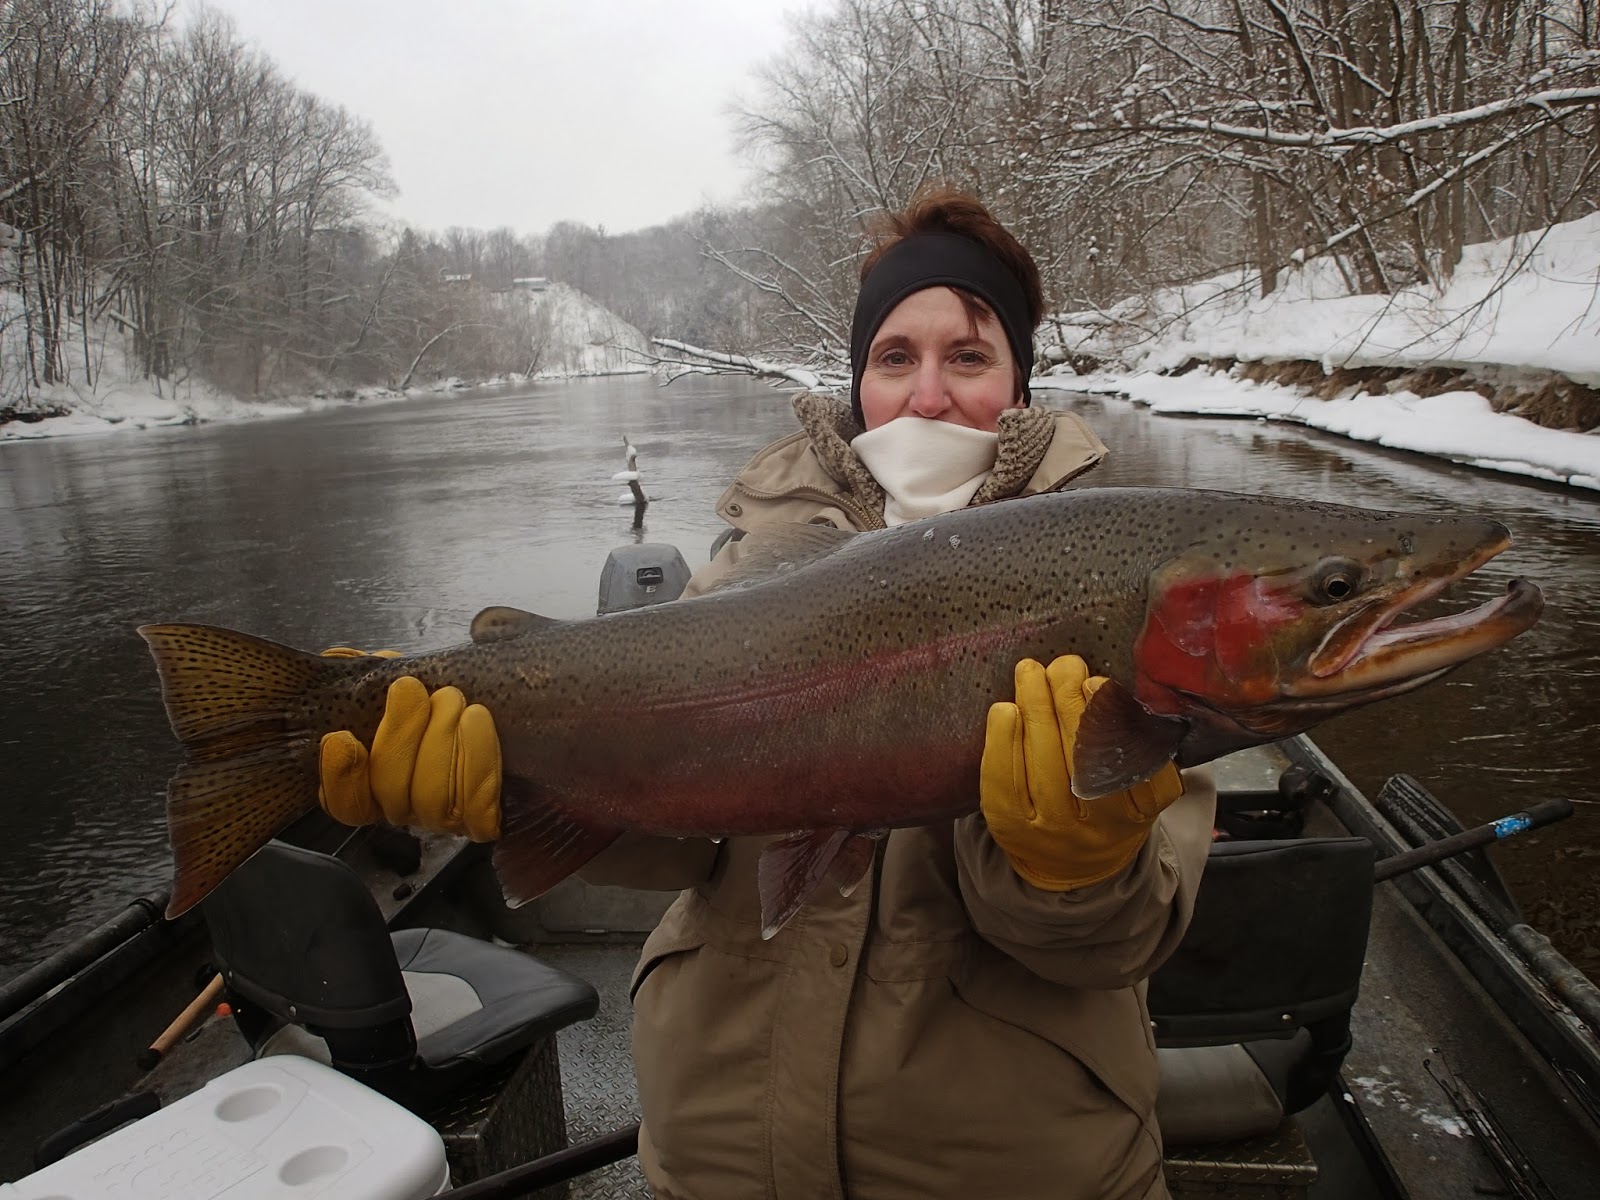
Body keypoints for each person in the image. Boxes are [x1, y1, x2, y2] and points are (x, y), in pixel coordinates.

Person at [318, 187, 1217, 1199]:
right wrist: (514, 790)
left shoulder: (1124, 579)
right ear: (856, 383)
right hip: (724, 1154)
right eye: (894, 357)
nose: (927, 395)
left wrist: (1075, 869)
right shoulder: (756, 561)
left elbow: (1128, 941)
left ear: (1019, 384)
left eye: (967, 356)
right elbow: (683, 845)